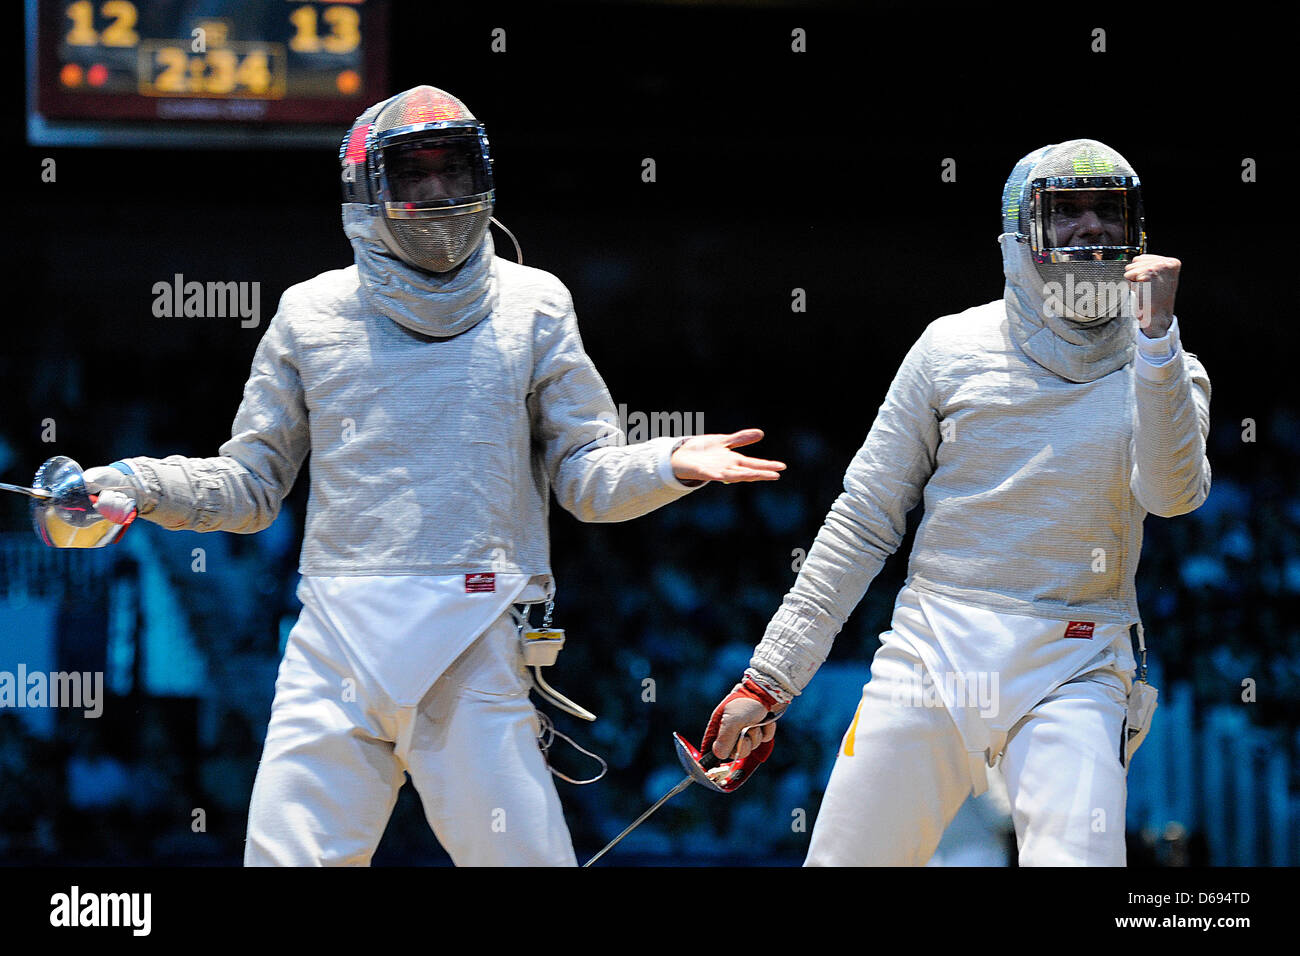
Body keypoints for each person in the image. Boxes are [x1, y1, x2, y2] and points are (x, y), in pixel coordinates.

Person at [83, 85, 785, 866]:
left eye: (453, 171)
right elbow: (251, 487)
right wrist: (138, 483)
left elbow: (585, 478)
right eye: (416, 176)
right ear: (368, 191)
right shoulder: (309, 315)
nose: (441, 193)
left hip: (476, 640)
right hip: (336, 648)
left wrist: (667, 461)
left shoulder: (534, 303)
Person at [697, 139, 1210, 866]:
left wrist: (1156, 344)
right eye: (1067, 211)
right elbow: (862, 521)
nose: (1091, 227)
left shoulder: (1169, 366)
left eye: (1108, 210)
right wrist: (770, 678)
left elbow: (1173, 495)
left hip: (1078, 660)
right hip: (933, 650)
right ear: (1019, 232)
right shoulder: (950, 348)